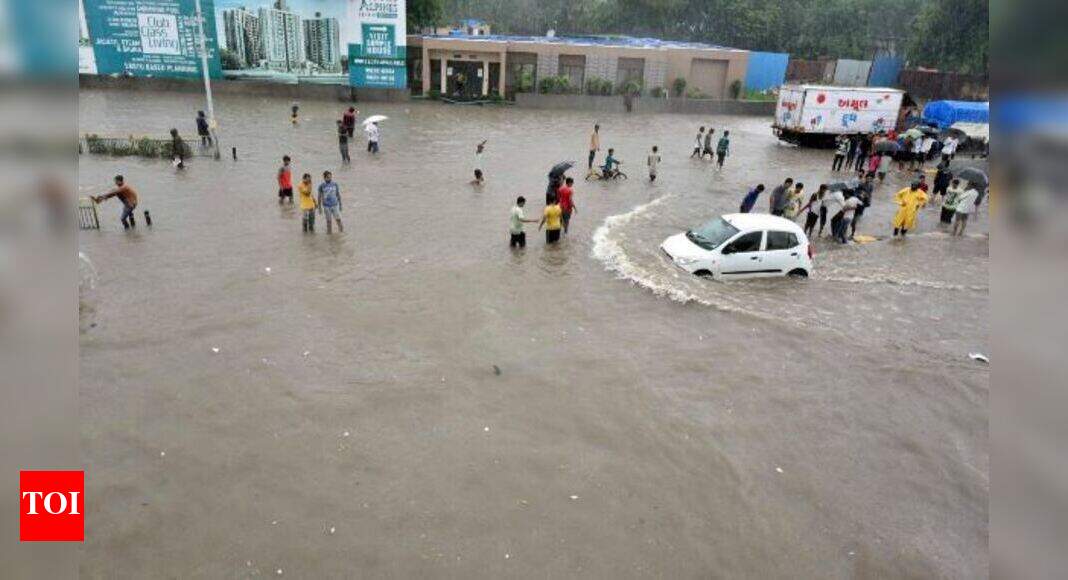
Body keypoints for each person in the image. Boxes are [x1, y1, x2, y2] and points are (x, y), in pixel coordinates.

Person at [851, 173, 875, 237]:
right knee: (854, 215)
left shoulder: (871, 186)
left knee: (859, 215)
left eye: (871, 179)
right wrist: (860, 194)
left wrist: (869, 201)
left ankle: (855, 229)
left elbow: (870, 194)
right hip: (858, 201)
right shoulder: (861, 184)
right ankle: (853, 230)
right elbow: (855, 192)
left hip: (864, 202)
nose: (869, 179)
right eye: (868, 178)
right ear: (866, 177)